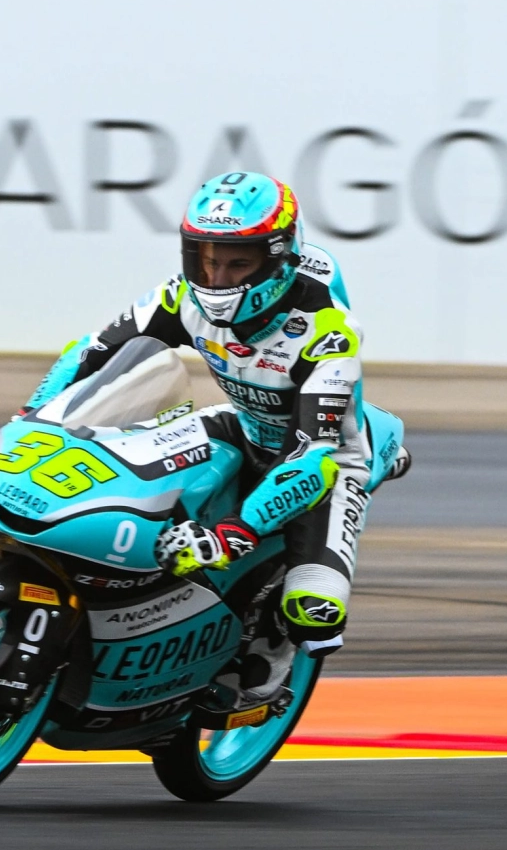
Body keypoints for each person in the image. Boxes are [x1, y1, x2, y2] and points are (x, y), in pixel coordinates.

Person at [20, 169, 400, 703]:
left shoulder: (326, 334)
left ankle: (274, 642)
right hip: (240, 426)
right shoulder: (181, 297)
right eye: (206, 259)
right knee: (124, 471)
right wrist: (32, 416)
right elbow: (90, 353)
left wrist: (233, 532)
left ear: (278, 259)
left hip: (326, 465)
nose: (217, 277)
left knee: (315, 611)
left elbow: (311, 462)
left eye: (237, 263)